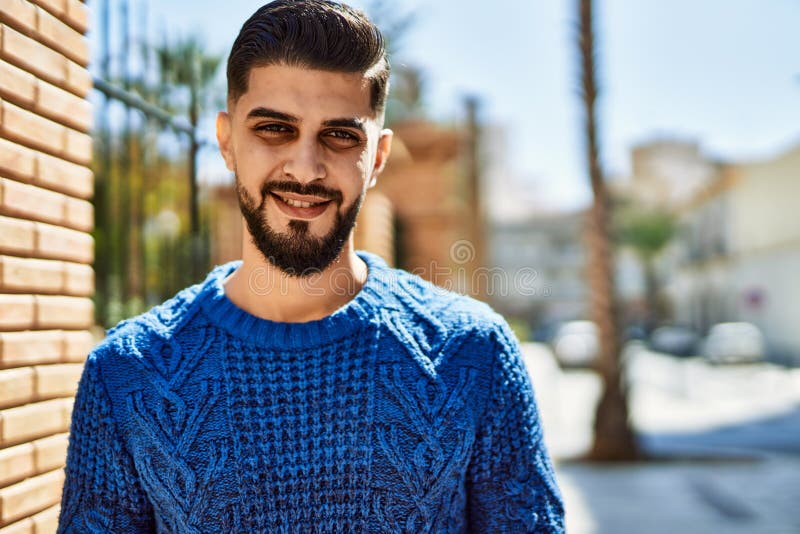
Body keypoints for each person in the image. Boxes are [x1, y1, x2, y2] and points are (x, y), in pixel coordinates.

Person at [57, 1, 565, 532]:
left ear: (379, 158)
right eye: (275, 129)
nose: (306, 168)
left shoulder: (472, 353)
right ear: (227, 142)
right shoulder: (128, 374)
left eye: (340, 135)